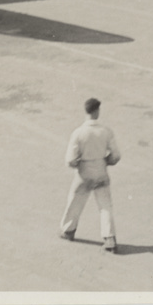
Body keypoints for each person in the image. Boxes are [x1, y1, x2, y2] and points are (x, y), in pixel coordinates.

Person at [59, 98, 121, 253]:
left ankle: (68, 230)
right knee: (105, 206)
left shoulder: (79, 133)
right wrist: (106, 161)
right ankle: (109, 238)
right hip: (101, 171)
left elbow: (70, 160)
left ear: (86, 111)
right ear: (97, 111)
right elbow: (116, 155)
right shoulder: (106, 131)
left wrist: (78, 165)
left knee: (75, 201)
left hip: (84, 172)